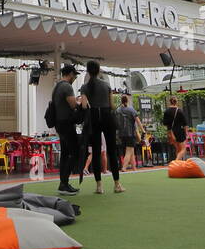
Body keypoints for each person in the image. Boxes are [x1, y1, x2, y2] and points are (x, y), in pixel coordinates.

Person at [78, 60, 123, 194]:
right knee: (111, 151)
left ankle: (99, 186)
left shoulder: (84, 87)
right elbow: (112, 106)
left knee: (96, 152)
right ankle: (117, 184)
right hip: (106, 116)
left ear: (88, 71)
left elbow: (85, 106)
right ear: (98, 71)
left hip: (93, 118)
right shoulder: (106, 85)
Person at [52, 63, 83, 195]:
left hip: (59, 123)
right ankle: (64, 183)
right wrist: (80, 103)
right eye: (74, 75)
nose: (75, 78)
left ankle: (63, 183)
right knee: (75, 152)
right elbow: (72, 105)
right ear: (70, 74)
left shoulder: (57, 86)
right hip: (66, 124)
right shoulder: (67, 87)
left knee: (65, 153)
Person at [115, 94, 143, 171]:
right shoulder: (131, 109)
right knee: (129, 150)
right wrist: (143, 130)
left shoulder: (118, 110)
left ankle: (134, 168)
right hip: (130, 132)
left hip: (121, 133)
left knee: (131, 151)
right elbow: (138, 121)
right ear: (127, 100)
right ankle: (124, 167)